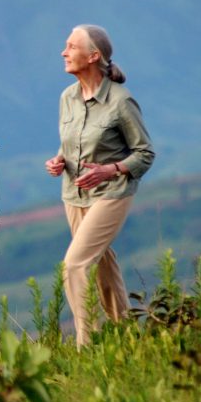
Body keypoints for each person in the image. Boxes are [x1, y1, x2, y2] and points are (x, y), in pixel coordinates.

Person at [45, 24, 154, 348]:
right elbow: (73, 143)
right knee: (103, 263)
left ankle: (86, 344)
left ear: (93, 56)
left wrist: (111, 170)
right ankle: (126, 335)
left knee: (75, 264)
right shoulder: (67, 98)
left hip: (112, 193)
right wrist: (60, 160)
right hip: (73, 194)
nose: (64, 52)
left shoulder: (121, 102)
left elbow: (145, 154)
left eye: (71, 46)